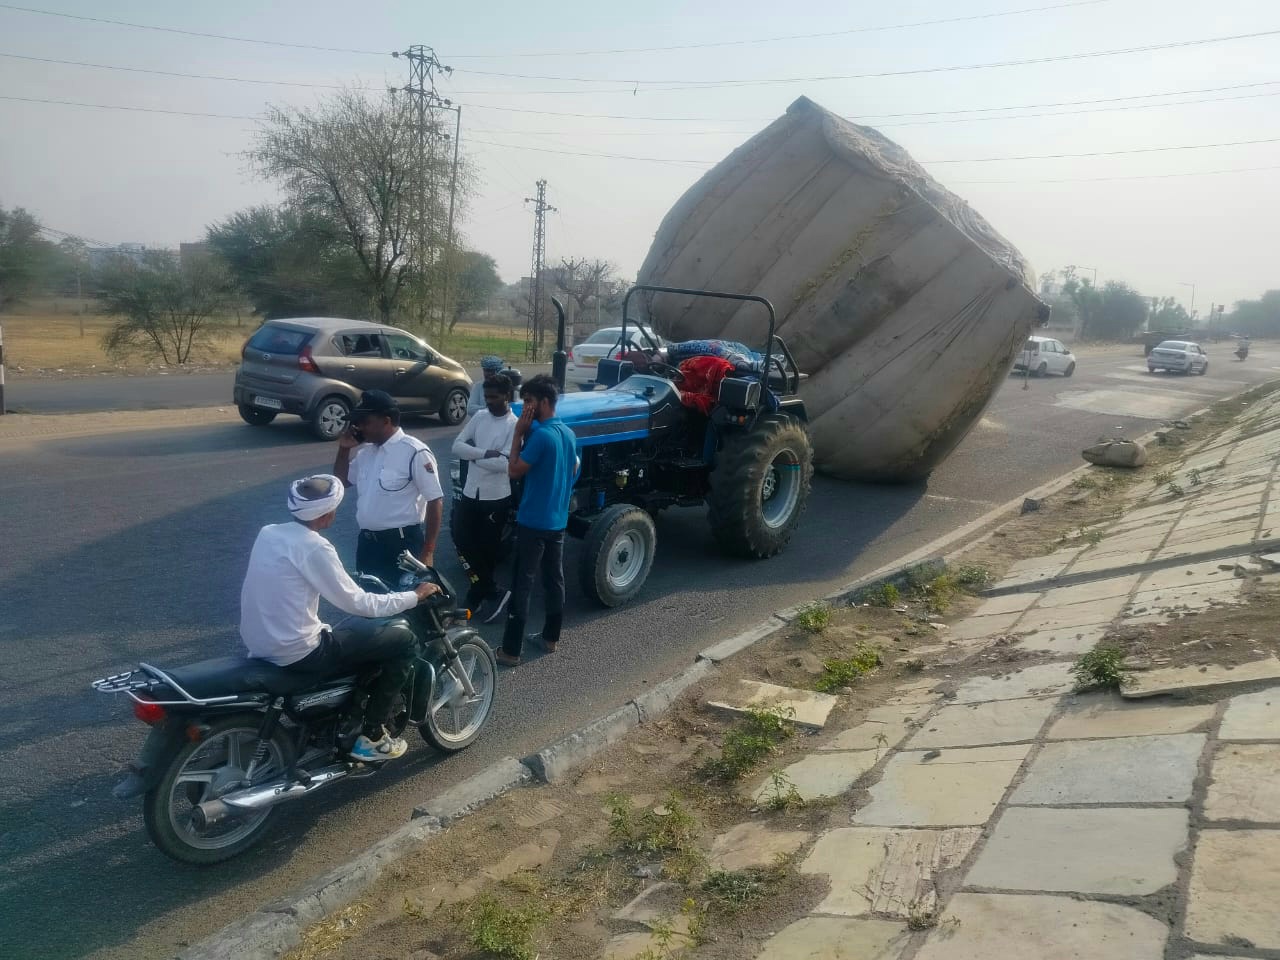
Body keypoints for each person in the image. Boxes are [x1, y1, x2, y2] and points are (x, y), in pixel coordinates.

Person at [240, 474, 441, 762]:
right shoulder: (315, 547)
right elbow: (359, 603)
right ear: (326, 515)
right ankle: (372, 735)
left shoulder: (269, 533)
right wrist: (414, 596)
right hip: (298, 651)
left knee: (358, 637)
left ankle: (346, 711)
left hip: (259, 643)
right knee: (404, 641)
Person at [498, 374, 579, 666]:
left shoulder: (541, 435)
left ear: (544, 402)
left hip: (532, 522)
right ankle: (550, 638)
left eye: (529, 401)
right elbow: (574, 468)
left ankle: (510, 650)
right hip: (557, 521)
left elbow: (514, 470)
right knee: (554, 580)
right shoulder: (568, 434)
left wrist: (519, 433)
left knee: (522, 583)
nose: (525, 408)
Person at [333, 390, 444, 589]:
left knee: (406, 606)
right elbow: (341, 481)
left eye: (364, 421)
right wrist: (344, 449)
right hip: (368, 544)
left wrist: (428, 551)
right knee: (370, 604)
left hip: (402, 546)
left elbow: (435, 500)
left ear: (386, 421)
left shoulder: (415, 452)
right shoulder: (366, 453)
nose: (358, 427)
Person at [451, 373, 518, 622]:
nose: (488, 401)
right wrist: (484, 453)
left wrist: (475, 457)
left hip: (496, 497)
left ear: (507, 396)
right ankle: (492, 590)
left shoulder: (514, 424)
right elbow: (456, 446)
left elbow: (505, 464)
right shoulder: (479, 417)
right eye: (486, 396)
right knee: (461, 538)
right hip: (471, 492)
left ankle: (476, 596)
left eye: (494, 397)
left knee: (487, 550)